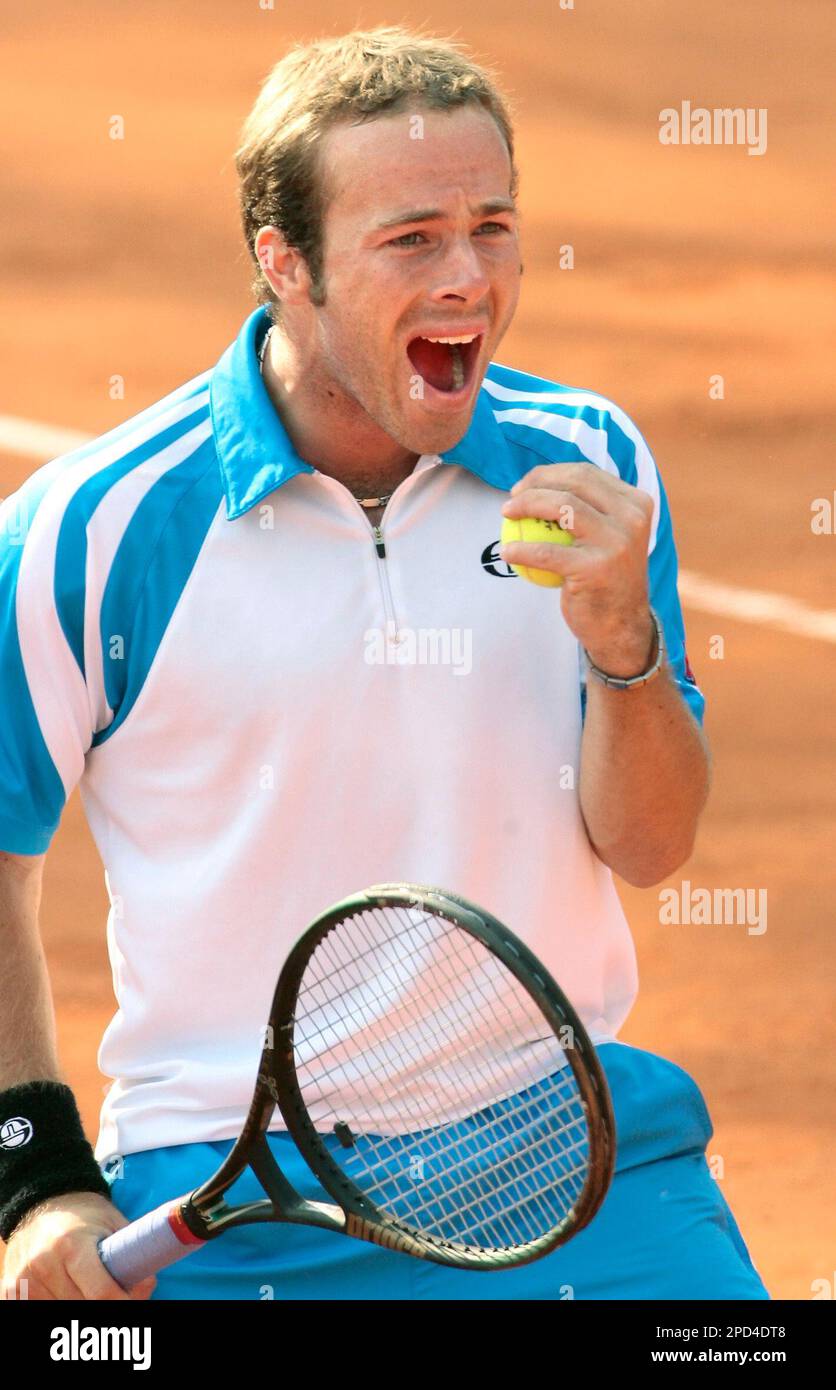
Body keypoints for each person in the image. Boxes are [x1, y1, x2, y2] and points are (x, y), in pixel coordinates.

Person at [0, 27, 768, 1301]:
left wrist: (622, 649)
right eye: (411, 239)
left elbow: (651, 849)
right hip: (231, 1197)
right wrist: (30, 1182)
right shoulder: (92, 534)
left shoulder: (588, 468)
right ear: (283, 263)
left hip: (571, 1161)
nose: (467, 276)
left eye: (493, 226)